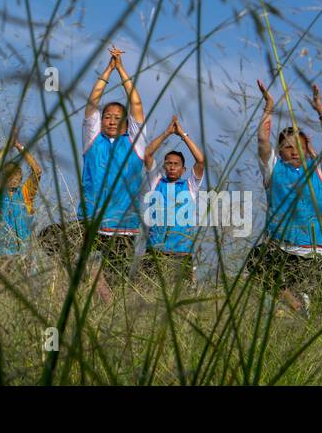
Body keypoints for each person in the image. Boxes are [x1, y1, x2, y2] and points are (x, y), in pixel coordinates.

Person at [47, 45, 148, 284]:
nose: (111, 120)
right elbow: (92, 103)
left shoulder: (136, 143)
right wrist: (107, 70)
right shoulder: (93, 140)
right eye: (107, 117)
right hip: (91, 220)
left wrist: (121, 70)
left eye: (117, 117)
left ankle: (102, 288)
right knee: (48, 238)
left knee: (116, 283)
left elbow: (137, 106)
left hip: (124, 226)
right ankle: (84, 277)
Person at [245, 79, 322, 314]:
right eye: (288, 147)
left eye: (298, 146)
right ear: (280, 151)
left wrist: (320, 109)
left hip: (319, 252)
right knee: (256, 260)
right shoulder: (273, 169)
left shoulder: (318, 169)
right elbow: (262, 140)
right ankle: (298, 307)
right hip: (285, 250)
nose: (294, 151)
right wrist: (269, 106)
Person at [139, 115, 206, 286]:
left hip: (182, 253)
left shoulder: (190, 186)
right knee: (149, 295)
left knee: (181, 297)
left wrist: (182, 134)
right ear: (164, 167)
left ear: (183, 169)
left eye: (176, 164)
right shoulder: (156, 182)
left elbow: (200, 160)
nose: (172, 166)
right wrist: (167, 133)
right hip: (156, 250)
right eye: (168, 163)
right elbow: (147, 154)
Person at [0, 127, 42, 260]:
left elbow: (37, 171)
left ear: (21, 177)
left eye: (17, 173)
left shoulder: (25, 195)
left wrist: (19, 147)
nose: (14, 176)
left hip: (21, 257)